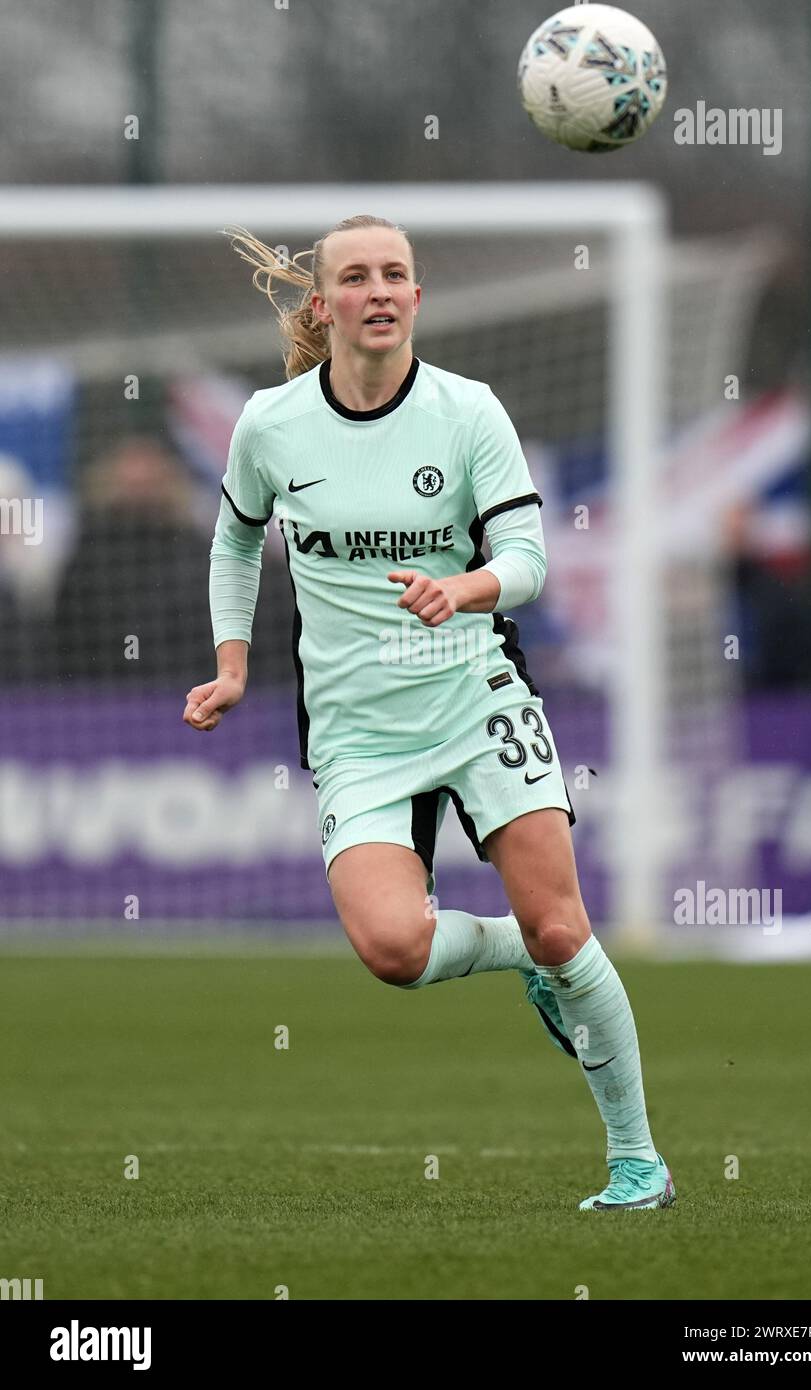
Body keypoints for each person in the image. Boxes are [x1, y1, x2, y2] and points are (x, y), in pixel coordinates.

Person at [182, 214, 674, 1212]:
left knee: (562, 921)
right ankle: (520, 961)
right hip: (359, 728)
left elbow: (531, 563)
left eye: (396, 275)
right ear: (323, 304)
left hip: (474, 689)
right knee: (394, 952)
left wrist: (466, 589)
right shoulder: (273, 426)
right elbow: (235, 544)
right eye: (355, 276)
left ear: (416, 297)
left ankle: (637, 1162)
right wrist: (232, 665)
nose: (378, 291)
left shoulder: (467, 412)